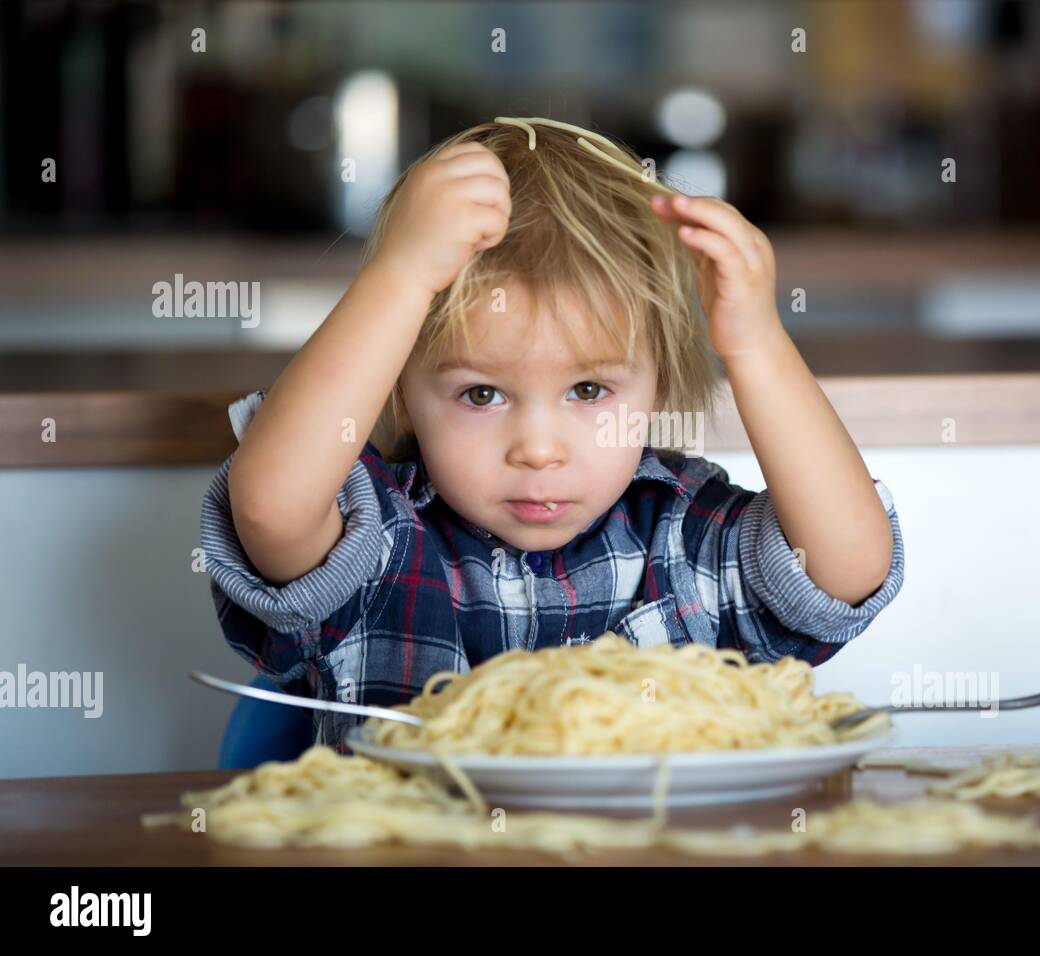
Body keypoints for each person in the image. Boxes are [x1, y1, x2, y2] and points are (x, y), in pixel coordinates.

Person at [200, 117, 904, 748]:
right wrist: (402, 276)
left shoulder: (685, 536)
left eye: (589, 390)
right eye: (481, 393)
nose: (538, 448)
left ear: (654, 385)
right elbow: (271, 507)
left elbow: (846, 567)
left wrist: (756, 348)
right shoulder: (379, 543)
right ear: (402, 395)